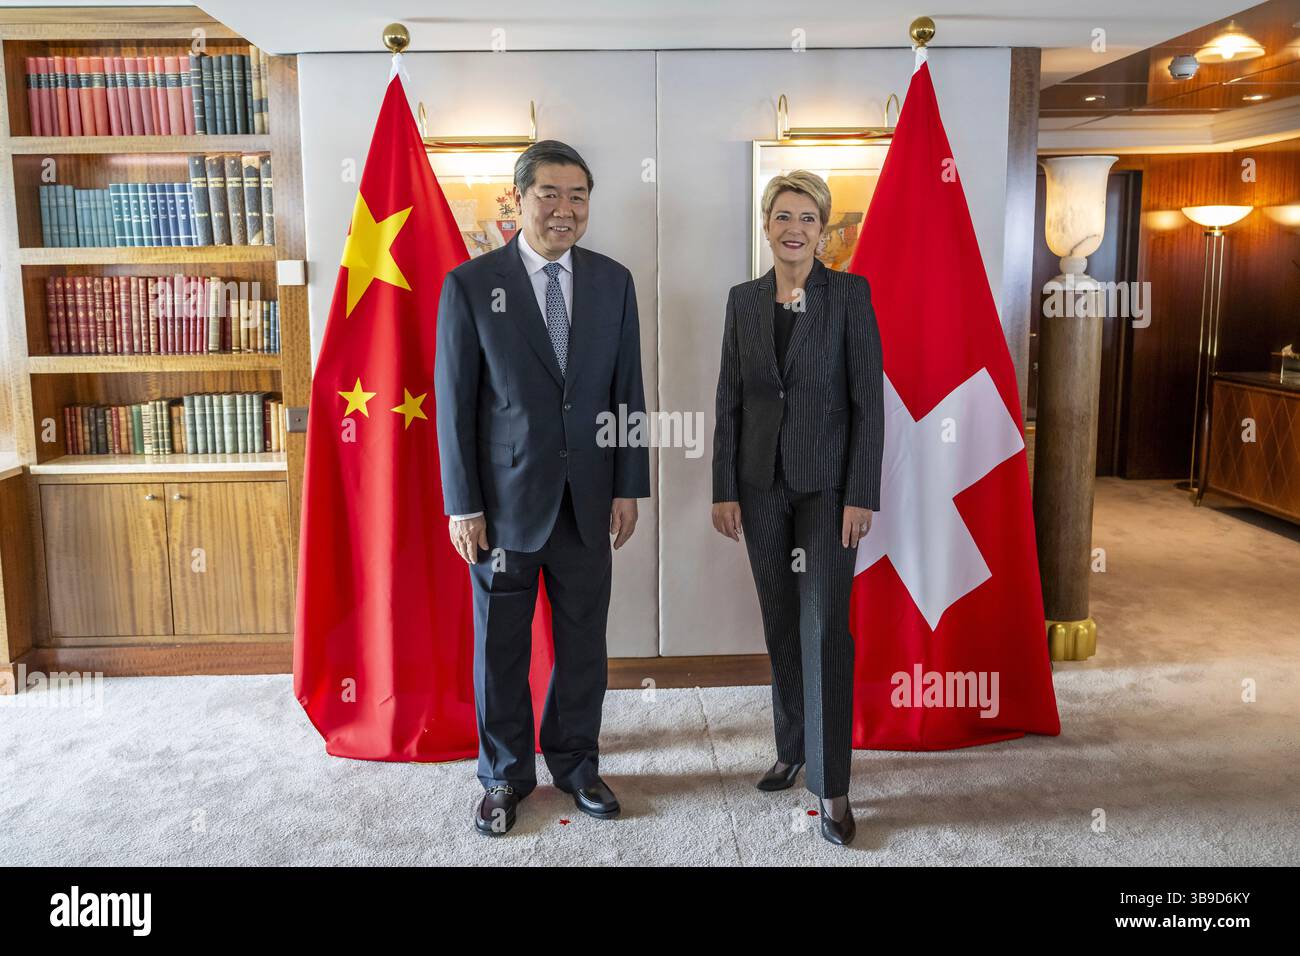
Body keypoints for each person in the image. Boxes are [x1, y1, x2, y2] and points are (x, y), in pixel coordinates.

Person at [434, 140, 651, 836]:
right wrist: (462, 504)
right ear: (518, 199)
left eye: (578, 196)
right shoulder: (471, 285)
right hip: (501, 510)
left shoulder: (614, 282)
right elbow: (455, 403)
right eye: (550, 195)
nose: (565, 209)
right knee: (501, 648)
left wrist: (628, 485)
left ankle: (577, 764)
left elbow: (628, 393)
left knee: (584, 643)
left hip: (589, 503)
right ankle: (504, 776)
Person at [711, 170, 884, 846]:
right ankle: (792, 747)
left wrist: (861, 494)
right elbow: (729, 398)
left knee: (825, 632)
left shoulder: (849, 295)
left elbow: (869, 399)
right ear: (766, 224)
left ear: (824, 229)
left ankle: (833, 789)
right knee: (781, 624)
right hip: (760, 490)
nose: (794, 228)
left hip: (827, 494)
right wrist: (724, 487)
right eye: (783, 215)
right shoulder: (743, 300)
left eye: (807, 218)